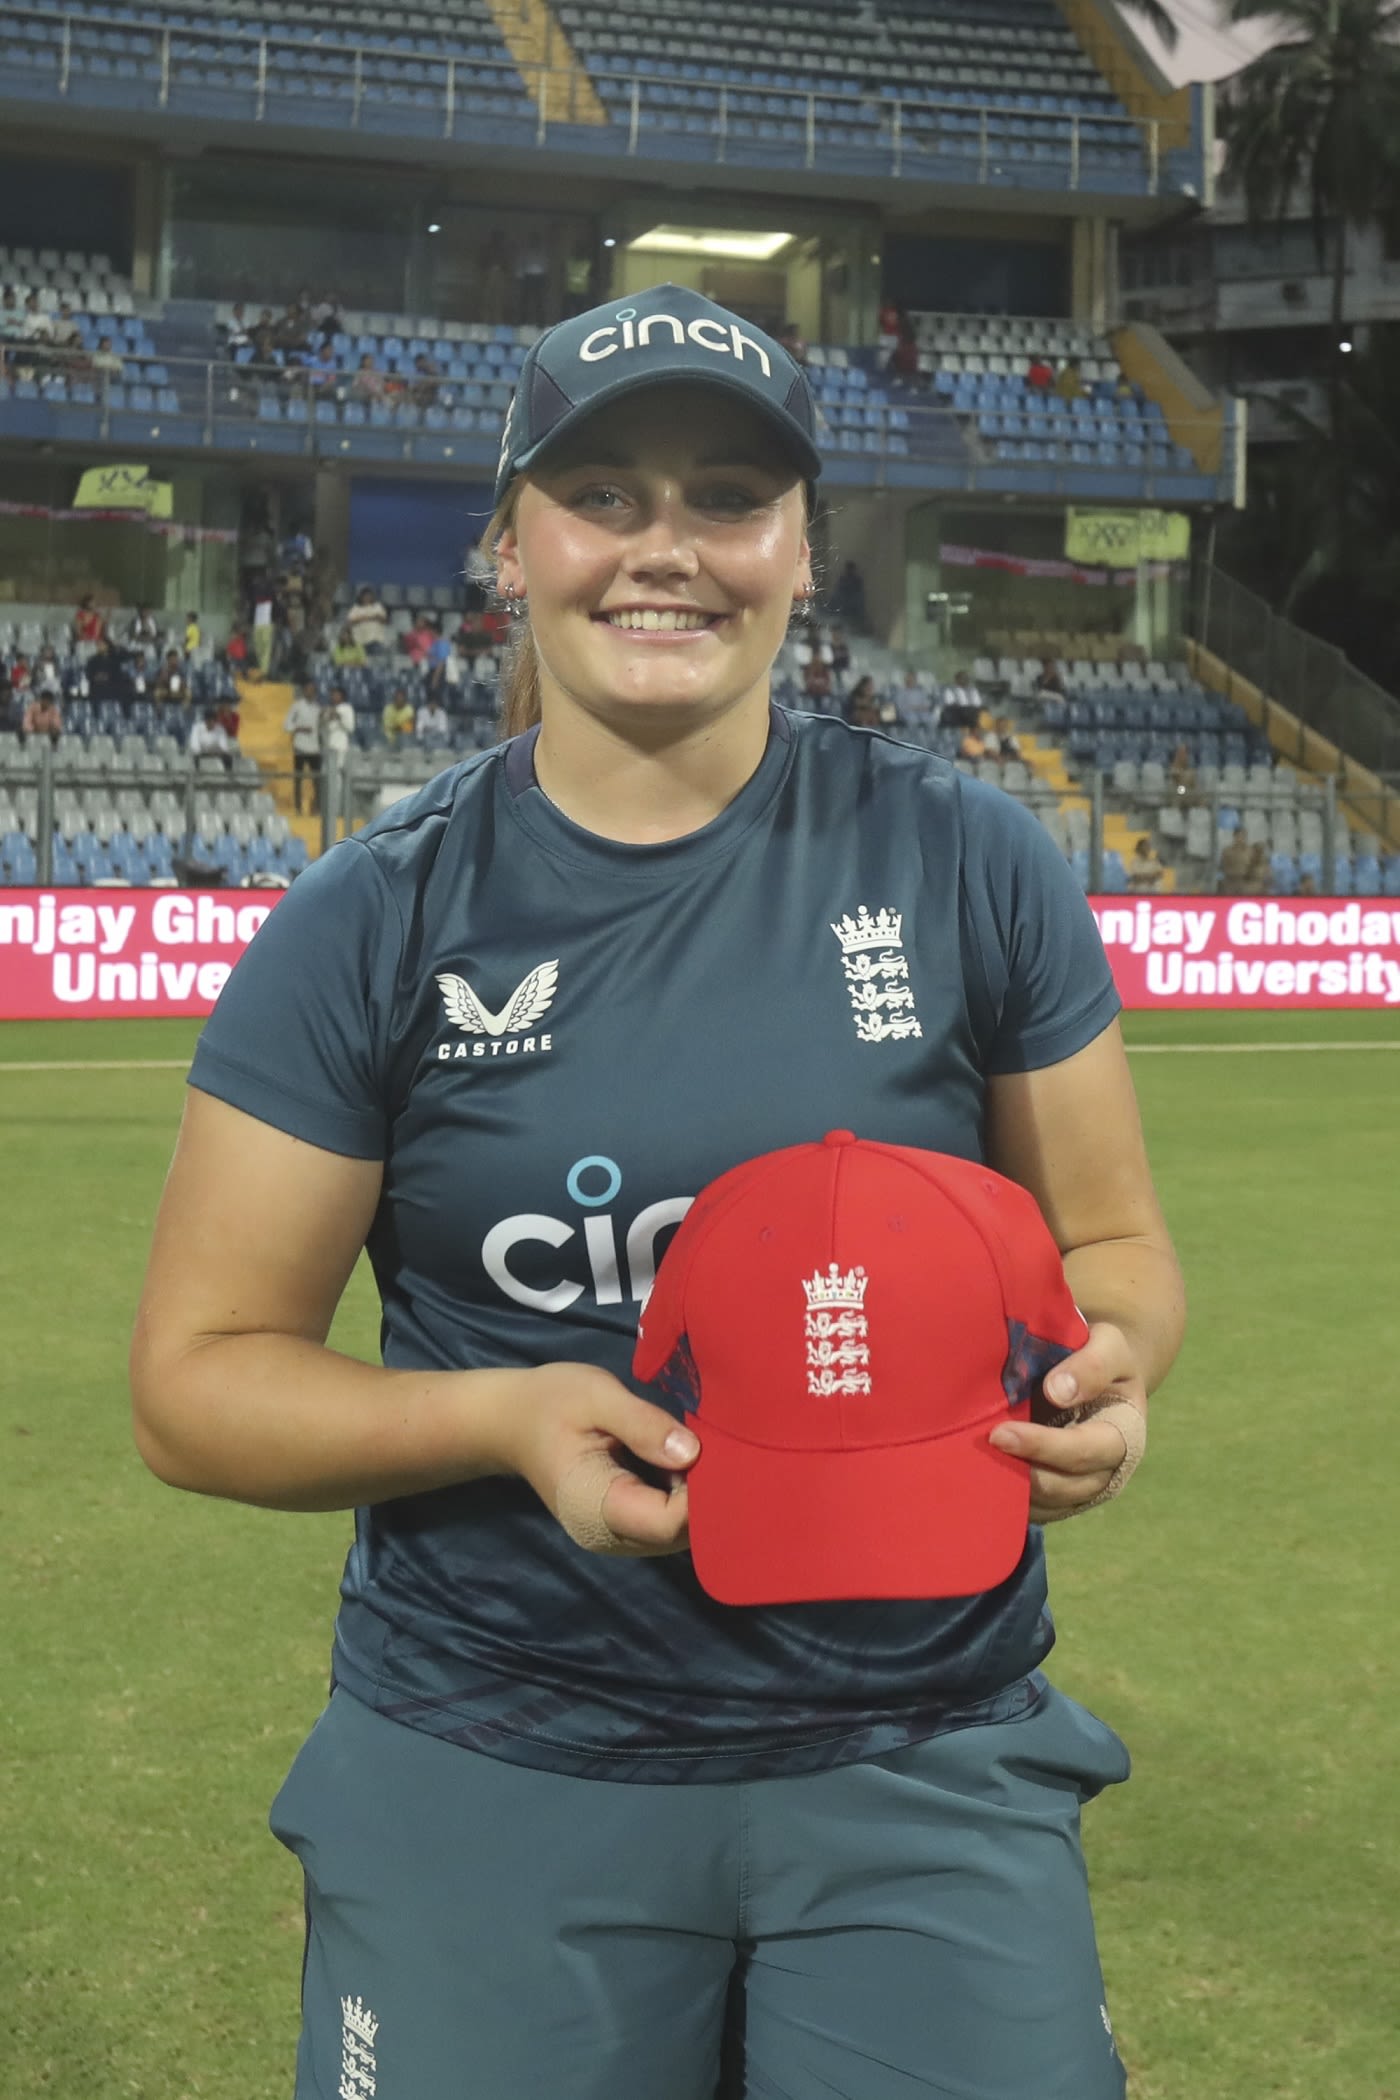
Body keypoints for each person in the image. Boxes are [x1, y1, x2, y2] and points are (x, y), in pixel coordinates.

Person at [130, 282, 1183, 2100]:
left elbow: (1112, 1250)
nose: (664, 550)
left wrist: (1111, 1379)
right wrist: (511, 1415)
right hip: (499, 1745)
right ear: (513, 538)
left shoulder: (964, 856)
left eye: (726, 499)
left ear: (803, 548)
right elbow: (199, 1378)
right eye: (604, 494)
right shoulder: (376, 918)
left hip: (917, 1741)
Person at [284, 681, 323, 814]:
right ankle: (298, 807)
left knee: (317, 780)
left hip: (315, 748)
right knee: (298, 778)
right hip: (300, 746)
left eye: (312, 690)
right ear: (304, 691)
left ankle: (317, 807)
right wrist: (299, 728)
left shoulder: (318, 708)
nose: (310, 692)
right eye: (307, 689)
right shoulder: (296, 707)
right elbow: (287, 725)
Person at [346, 584, 390, 655]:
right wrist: (372, 617)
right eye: (365, 596)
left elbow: (384, 620)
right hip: (359, 641)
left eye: (369, 595)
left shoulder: (377, 606)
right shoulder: (356, 608)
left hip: (375, 641)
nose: (367, 597)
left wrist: (363, 618)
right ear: (361, 597)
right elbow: (350, 622)